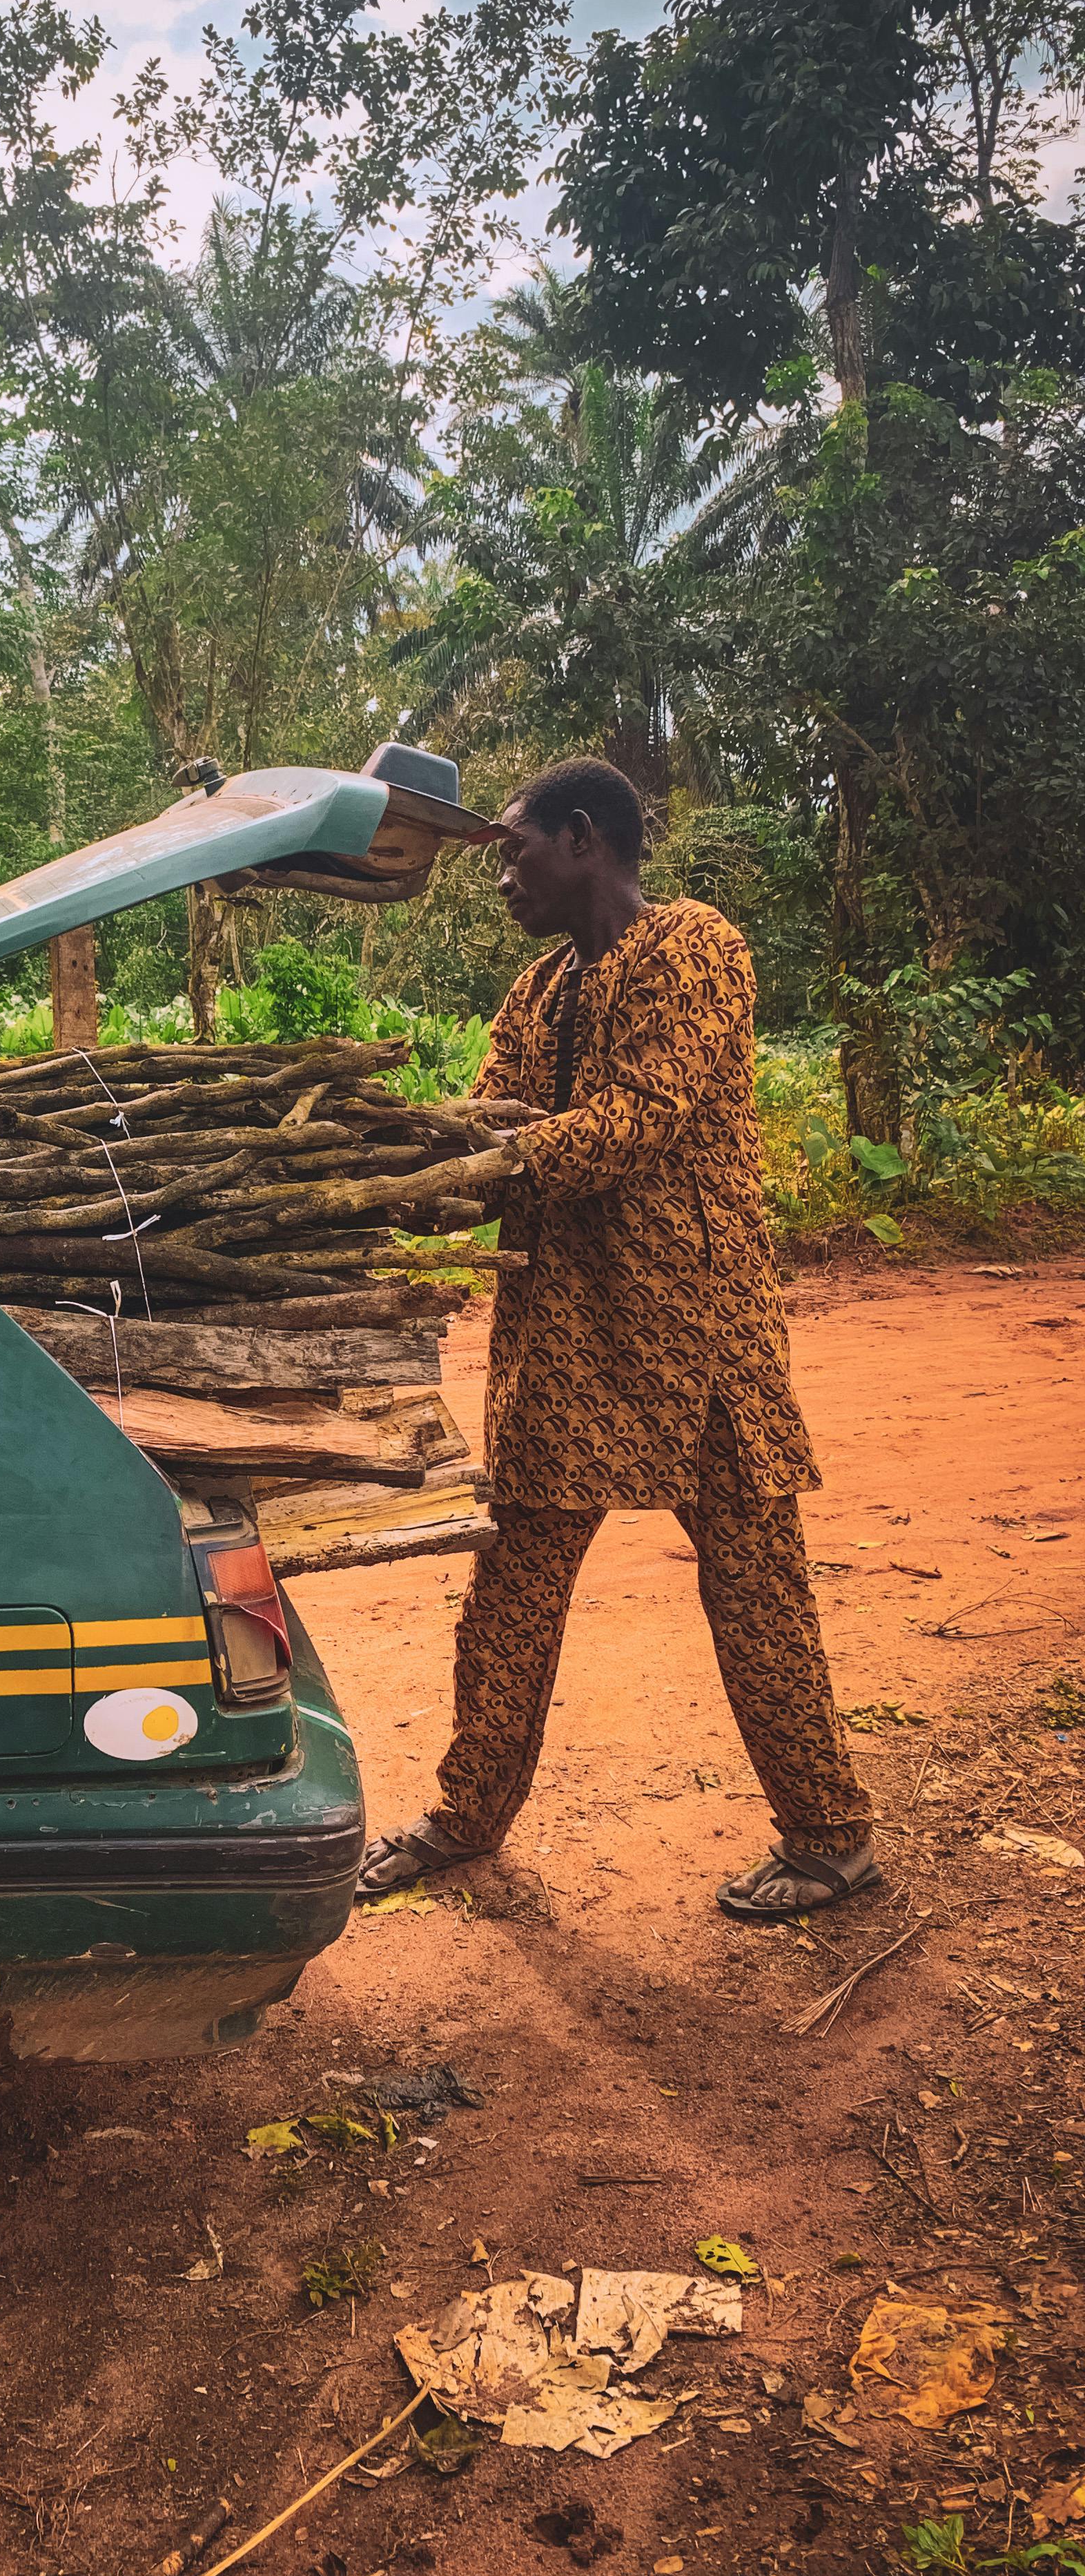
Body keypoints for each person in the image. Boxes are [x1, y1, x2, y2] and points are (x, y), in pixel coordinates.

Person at [358, 756, 877, 1922]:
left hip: (696, 1333)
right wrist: (392, 1173)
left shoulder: (698, 948)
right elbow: (496, 1114)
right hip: (566, 1341)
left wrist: (491, 1156)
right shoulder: (538, 991)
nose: (501, 879)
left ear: (582, 839)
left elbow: (642, 1119)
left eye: (513, 851)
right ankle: (466, 1816)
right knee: (513, 1588)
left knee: (754, 1588)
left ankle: (831, 1836)